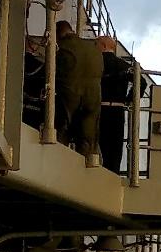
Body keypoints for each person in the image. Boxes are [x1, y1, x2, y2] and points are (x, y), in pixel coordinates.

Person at [54, 20, 103, 162]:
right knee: (88, 137)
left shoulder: (62, 48)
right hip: (93, 98)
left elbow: (53, 72)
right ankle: (88, 166)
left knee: (62, 132)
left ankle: (59, 163)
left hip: (70, 95)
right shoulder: (94, 49)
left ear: (59, 34)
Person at [98, 37, 148, 175]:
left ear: (102, 45)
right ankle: (112, 175)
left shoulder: (96, 63)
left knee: (97, 144)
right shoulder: (123, 65)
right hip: (117, 110)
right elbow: (142, 82)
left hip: (98, 108)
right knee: (115, 147)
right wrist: (129, 99)